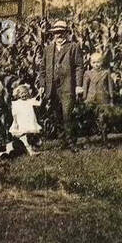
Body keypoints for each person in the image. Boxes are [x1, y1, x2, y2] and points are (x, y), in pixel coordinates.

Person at [39, 19, 82, 149]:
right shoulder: (48, 49)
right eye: (56, 33)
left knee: (67, 115)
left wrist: (78, 85)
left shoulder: (73, 46)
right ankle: (62, 142)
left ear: (66, 33)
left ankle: (71, 142)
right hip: (51, 88)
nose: (58, 35)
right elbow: (42, 69)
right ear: (53, 34)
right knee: (56, 115)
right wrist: (42, 85)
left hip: (67, 86)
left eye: (61, 32)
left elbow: (79, 67)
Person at [0, 82, 41, 161]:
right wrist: (15, 123)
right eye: (22, 93)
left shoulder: (28, 101)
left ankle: (30, 149)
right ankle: (30, 151)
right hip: (21, 124)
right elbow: (14, 114)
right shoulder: (16, 104)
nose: (24, 95)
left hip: (28, 121)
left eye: (25, 93)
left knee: (26, 137)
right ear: (18, 95)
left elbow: (38, 102)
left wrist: (40, 93)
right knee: (22, 138)